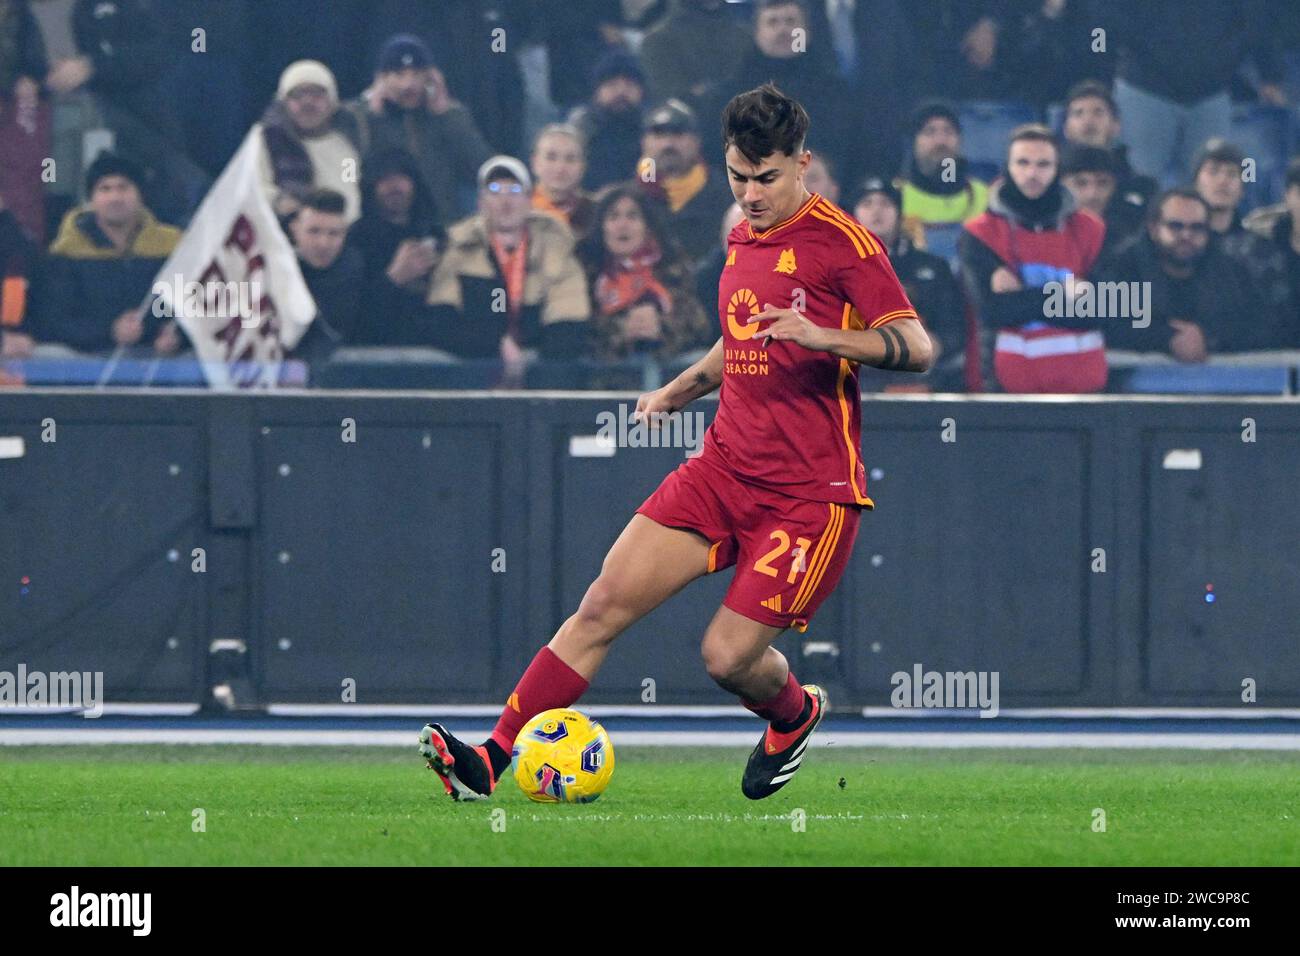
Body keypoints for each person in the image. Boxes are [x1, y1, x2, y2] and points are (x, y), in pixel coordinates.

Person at [420, 83, 932, 803]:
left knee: (725, 659)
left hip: (807, 497)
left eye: (766, 178)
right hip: (723, 467)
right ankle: (490, 759)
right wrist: (681, 390)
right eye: (738, 177)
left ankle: (794, 712)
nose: (750, 194)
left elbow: (917, 346)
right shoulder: (739, 234)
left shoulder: (843, 244)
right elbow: (742, 338)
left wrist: (826, 336)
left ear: (803, 164)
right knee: (602, 603)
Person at [958, 125, 1107, 393]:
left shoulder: (1091, 229)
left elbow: (1112, 307)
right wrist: (1066, 295)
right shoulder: (979, 234)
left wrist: (1023, 298)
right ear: (1007, 167)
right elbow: (992, 311)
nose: (1031, 174)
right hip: (1000, 386)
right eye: (1022, 163)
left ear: (1057, 169)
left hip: (1082, 385)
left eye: (1043, 164)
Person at [426, 155, 591, 376]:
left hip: (540, 383)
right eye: (494, 190)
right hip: (472, 379)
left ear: (529, 199)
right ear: (481, 202)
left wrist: (532, 370)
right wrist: (495, 346)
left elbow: (569, 324)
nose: (505, 201)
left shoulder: (557, 251)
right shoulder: (458, 252)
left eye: (514, 191)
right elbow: (441, 324)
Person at [1095, 188, 1278, 356]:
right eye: (1175, 226)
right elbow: (1107, 323)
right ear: (1154, 229)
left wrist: (1208, 337)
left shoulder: (1230, 271)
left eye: (1197, 228)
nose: (1186, 236)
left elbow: (1262, 324)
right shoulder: (1122, 267)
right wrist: (1166, 337)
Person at [34, 152, 182, 355]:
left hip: (159, 359)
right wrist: (110, 331)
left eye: (123, 187)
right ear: (91, 199)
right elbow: (53, 323)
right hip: (88, 359)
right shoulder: (67, 251)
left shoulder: (171, 246)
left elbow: (193, 308)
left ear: (141, 195)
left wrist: (176, 336)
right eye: (105, 189)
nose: (115, 197)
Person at [343, 34, 493, 222]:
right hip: (379, 224)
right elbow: (346, 172)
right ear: (382, 78)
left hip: (442, 222)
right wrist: (373, 118)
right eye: (399, 75)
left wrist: (446, 115)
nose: (408, 84)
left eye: (417, 74)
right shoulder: (357, 116)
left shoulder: (450, 115)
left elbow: (482, 168)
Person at [576, 184, 712, 363]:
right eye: (613, 217)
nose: (622, 225)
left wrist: (661, 327)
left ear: (647, 227)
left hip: (664, 379)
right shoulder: (585, 270)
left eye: (632, 216)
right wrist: (621, 329)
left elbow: (699, 326)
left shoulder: (672, 267)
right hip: (602, 380)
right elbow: (574, 331)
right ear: (602, 227)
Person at [854, 177, 966, 391]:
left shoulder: (934, 267)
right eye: (867, 203)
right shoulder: (835, 269)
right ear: (854, 214)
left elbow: (955, 326)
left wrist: (939, 344)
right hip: (862, 384)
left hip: (925, 380)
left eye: (885, 204)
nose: (876, 211)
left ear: (899, 213)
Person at [345, 150, 444, 345]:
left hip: (434, 354)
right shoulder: (356, 239)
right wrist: (394, 278)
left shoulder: (437, 235)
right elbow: (352, 318)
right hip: (374, 355)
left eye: (402, 177)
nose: (395, 186)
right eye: (385, 179)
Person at [257, 60, 364, 224]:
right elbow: (253, 188)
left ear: (332, 103)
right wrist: (279, 202)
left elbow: (350, 189)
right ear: (284, 103)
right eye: (297, 95)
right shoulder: (264, 141)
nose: (307, 103)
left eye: (317, 95)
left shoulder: (344, 148)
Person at [638, 99, 736, 263]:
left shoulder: (726, 196)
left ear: (697, 141)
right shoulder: (628, 197)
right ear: (643, 142)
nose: (668, 144)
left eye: (678, 134)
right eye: (659, 135)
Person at [896, 100, 989, 264]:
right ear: (914, 142)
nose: (940, 141)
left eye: (949, 132)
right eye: (929, 132)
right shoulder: (896, 196)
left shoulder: (983, 194)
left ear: (960, 141)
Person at [288, 189, 365, 363]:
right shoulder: (278, 272)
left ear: (345, 234)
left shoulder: (355, 270)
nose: (323, 243)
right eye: (313, 231)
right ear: (295, 230)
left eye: (333, 234)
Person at [568, 51, 648, 193]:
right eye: (612, 85)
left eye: (629, 85)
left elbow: (651, 180)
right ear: (597, 92)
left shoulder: (651, 133)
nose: (621, 92)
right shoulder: (582, 131)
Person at [1059, 144, 1145, 258]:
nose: (1092, 194)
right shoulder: (1044, 231)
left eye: (1103, 183)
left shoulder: (1126, 241)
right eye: (1080, 183)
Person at [529, 124, 597, 242]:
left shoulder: (596, 213)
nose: (560, 168)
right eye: (551, 157)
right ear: (535, 162)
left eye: (570, 159)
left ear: (583, 166)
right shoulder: (520, 209)